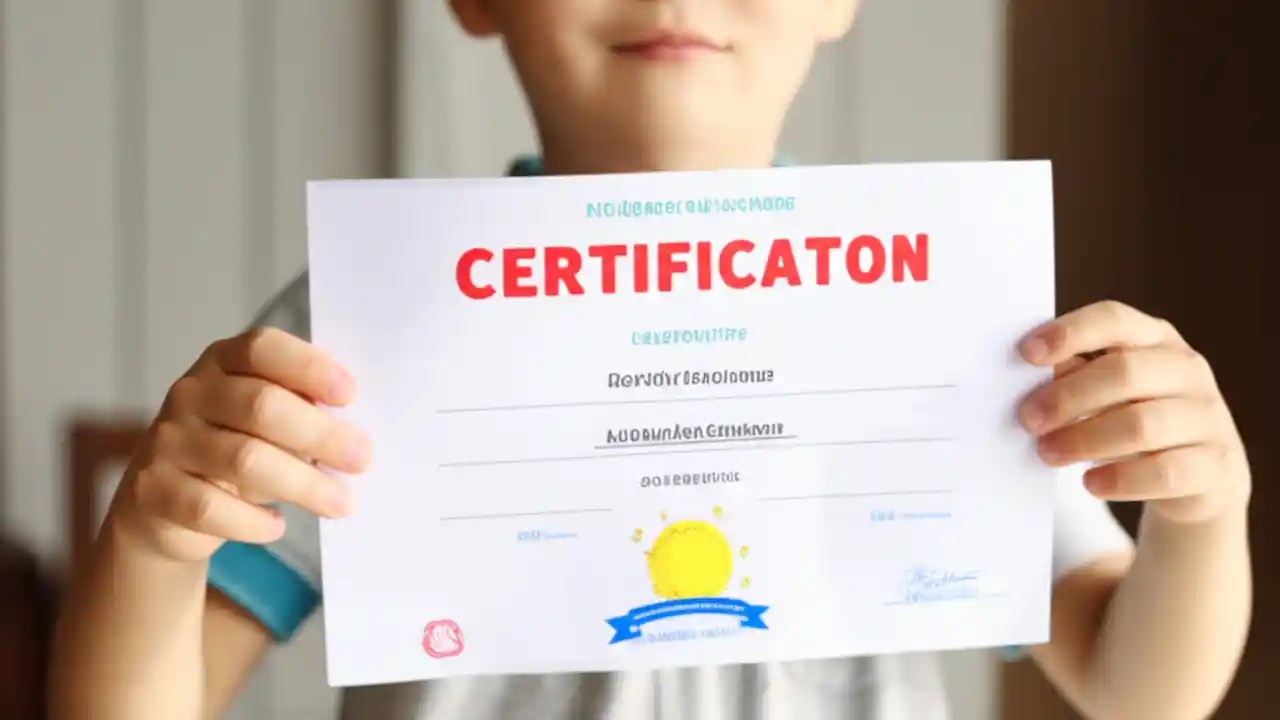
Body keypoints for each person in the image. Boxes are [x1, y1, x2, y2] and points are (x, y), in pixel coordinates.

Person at [50, 1, 1252, 719]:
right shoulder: (365, 323)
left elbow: (1133, 684)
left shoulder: (935, 323)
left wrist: (1203, 515)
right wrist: (153, 541)